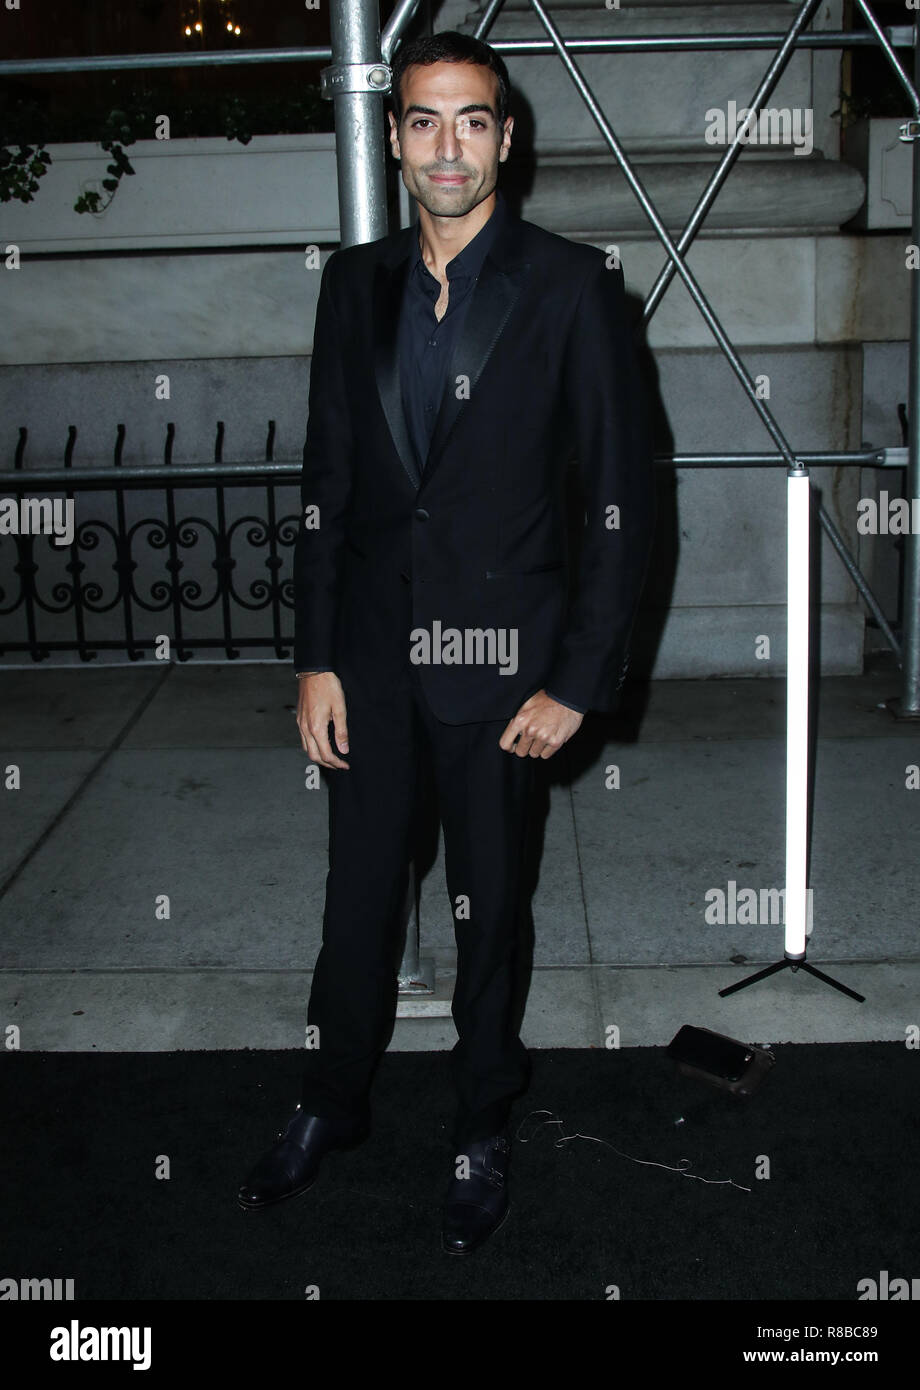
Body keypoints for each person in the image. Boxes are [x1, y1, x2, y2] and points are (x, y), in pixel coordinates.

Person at [238, 29, 656, 1254]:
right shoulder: (351, 284)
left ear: (507, 139)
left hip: (507, 676)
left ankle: (482, 1123)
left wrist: (578, 681)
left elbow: (625, 501)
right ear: (392, 137)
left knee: (490, 912)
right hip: (366, 664)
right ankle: (331, 1100)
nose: (446, 147)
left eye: (471, 120)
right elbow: (327, 479)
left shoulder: (574, 288)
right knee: (356, 903)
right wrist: (313, 653)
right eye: (422, 121)